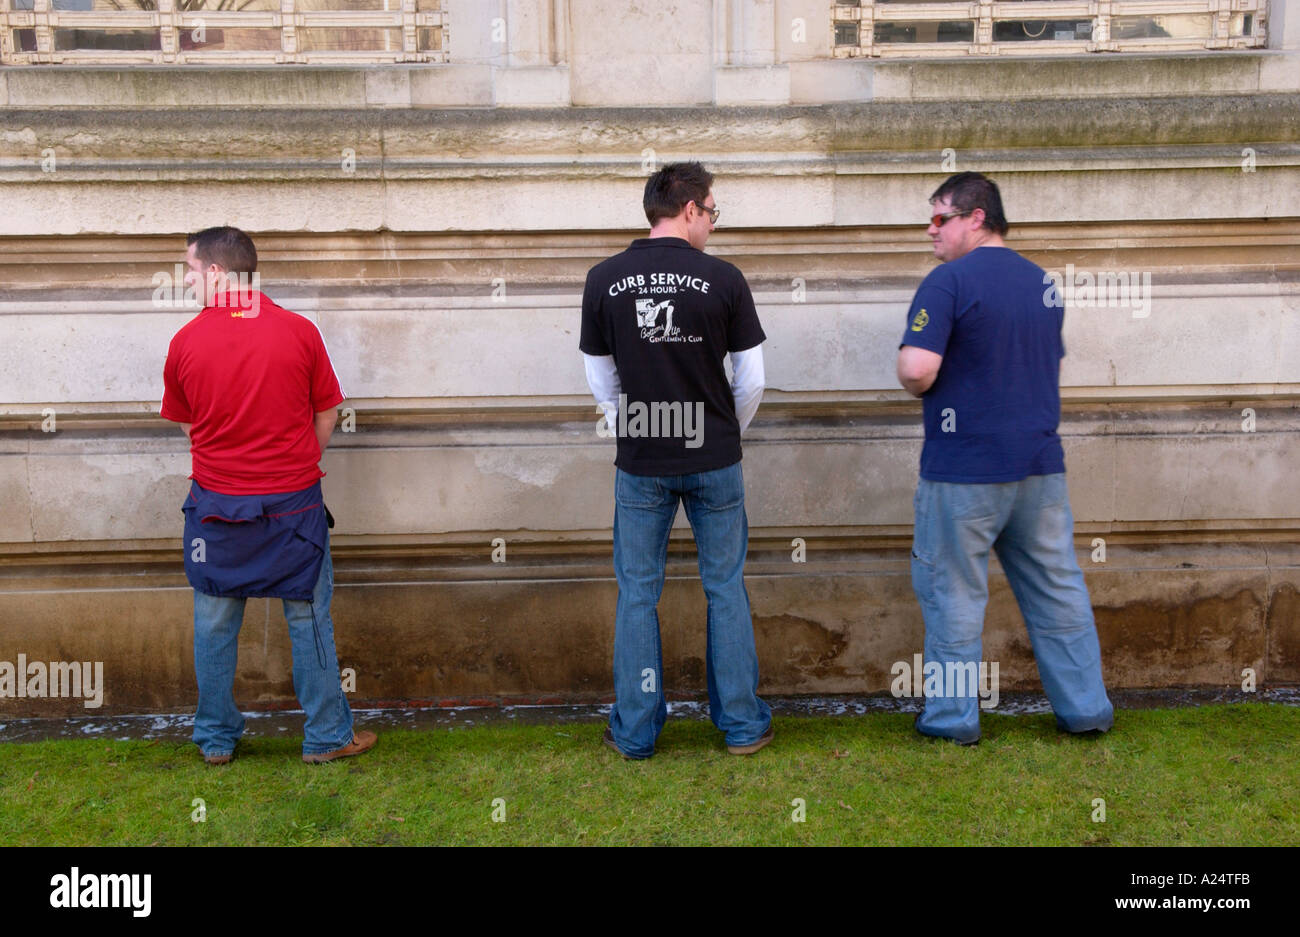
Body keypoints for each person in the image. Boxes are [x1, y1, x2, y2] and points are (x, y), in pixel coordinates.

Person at [896, 172, 1114, 745]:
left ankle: (952, 720)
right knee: (1057, 590)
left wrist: (912, 375)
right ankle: (1086, 710)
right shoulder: (1042, 283)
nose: (930, 230)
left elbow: (918, 370)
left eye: (940, 217)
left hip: (964, 472)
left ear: (976, 217)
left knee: (954, 594)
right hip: (1039, 468)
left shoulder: (946, 283)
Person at [161, 226, 375, 765]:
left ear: (215, 272)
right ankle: (327, 735)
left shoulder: (185, 341)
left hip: (215, 509)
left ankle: (215, 738)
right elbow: (328, 412)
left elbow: (187, 424)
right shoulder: (299, 331)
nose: (187, 281)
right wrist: (301, 458)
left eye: (190, 270)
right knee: (307, 618)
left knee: (214, 622)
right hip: (293, 507)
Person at [580, 161, 773, 759]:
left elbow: (599, 378)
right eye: (711, 212)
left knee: (638, 593)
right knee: (725, 587)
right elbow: (753, 380)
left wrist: (634, 428)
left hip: (642, 461)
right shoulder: (724, 278)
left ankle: (636, 732)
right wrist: (723, 433)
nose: (712, 224)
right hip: (715, 456)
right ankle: (741, 725)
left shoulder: (604, 278)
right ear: (689, 209)